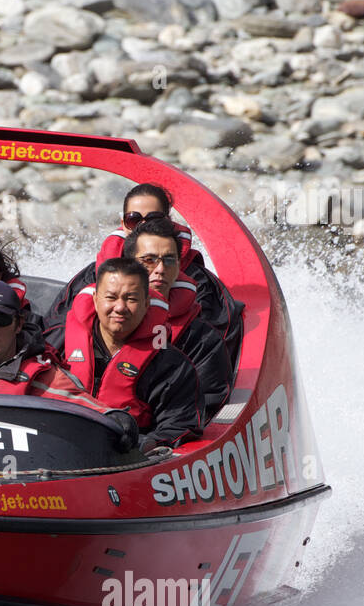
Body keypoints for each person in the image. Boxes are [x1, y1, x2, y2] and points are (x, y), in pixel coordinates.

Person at [43, 182, 244, 369]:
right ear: (124, 223)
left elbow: (216, 344)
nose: (143, 226)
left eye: (154, 219)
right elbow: (57, 324)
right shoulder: (95, 273)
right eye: (134, 219)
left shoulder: (199, 282)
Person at [45, 258, 203, 450]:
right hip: (58, 446)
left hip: (128, 458)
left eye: (131, 299)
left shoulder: (171, 365)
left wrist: (147, 444)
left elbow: (180, 425)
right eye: (111, 298)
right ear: (95, 299)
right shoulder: (55, 344)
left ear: (146, 304)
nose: (120, 308)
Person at [123, 219, 232, 417]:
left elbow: (210, 402)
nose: (160, 269)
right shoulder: (101, 321)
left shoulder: (201, 339)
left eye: (169, 260)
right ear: (128, 264)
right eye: (149, 260)